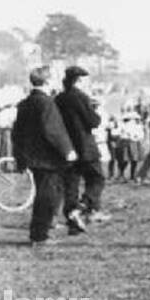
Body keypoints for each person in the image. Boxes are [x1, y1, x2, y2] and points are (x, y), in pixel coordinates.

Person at [11, 67, 78, 245]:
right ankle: (40, 235)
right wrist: (67, 150)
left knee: (44, 195)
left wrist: (20, 157)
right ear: (48, 81)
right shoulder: (46, 103)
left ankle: (40, 232)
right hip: (48, 160)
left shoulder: (25, 103)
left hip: (33, 158)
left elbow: (16, 133)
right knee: (49, 197)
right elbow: (53, 130)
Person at [55, 65, 108, 227]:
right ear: (79, 80)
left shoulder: (59, 98)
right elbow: (93, 121)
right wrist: (95, 108)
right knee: (97, 178)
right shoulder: (81, 97)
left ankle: (72, 216)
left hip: (67, 147)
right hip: (85, 147)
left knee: (71, 183)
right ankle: (82, 207)